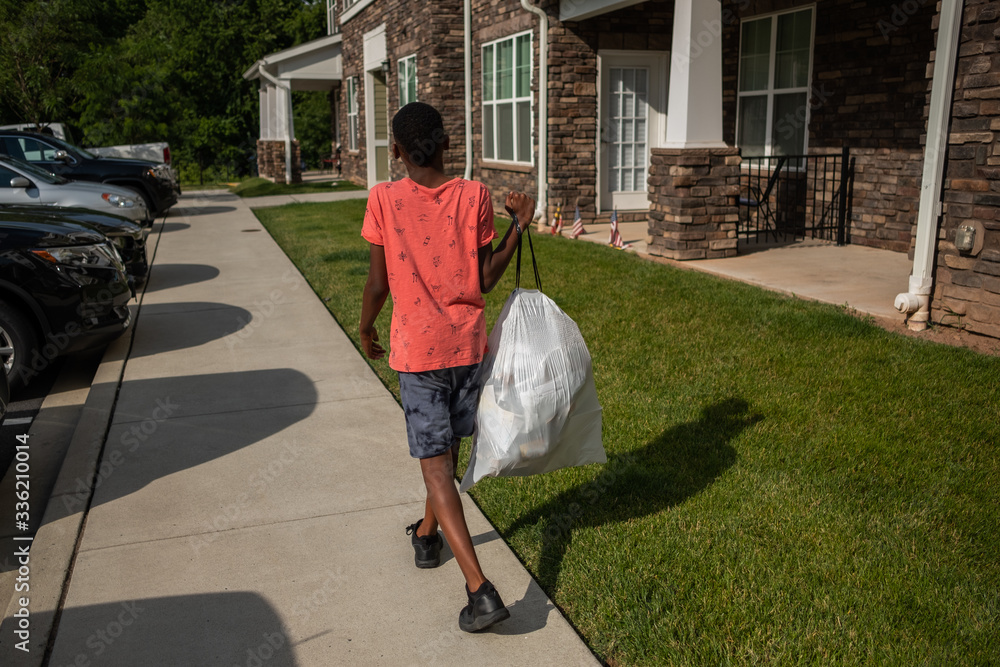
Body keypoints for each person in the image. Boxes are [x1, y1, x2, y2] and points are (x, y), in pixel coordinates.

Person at [359, 101, 534, 633]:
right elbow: (484, 278)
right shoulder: (475, 196)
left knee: (435, 464)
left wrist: (366, 327)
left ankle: (480, 591)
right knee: (446, 450)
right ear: (446, 145)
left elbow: (378, 283)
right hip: (465, 349)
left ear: (396, 151)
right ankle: (427, 537)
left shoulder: (383, 200)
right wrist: (516, 229)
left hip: (418, 354)